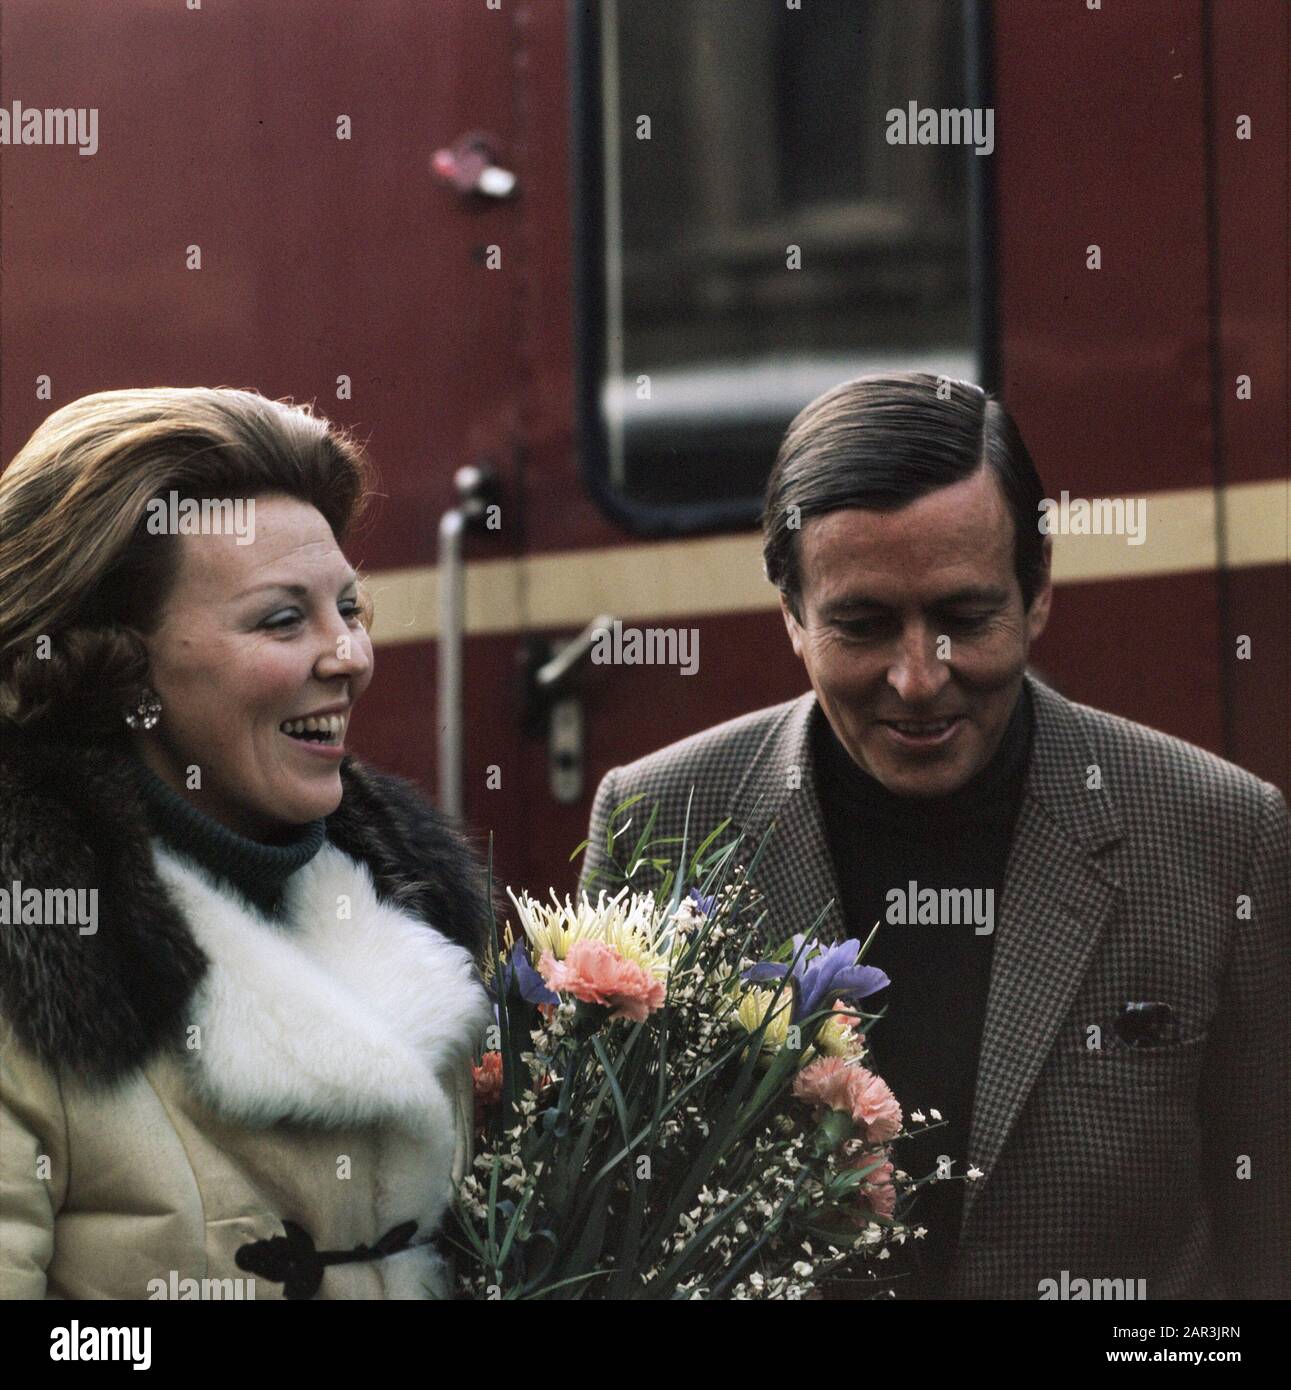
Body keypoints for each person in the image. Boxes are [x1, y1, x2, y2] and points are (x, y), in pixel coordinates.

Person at [582, 373, 1290, 1300]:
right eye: (862, 625)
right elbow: (601, 1234)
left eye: (963, 618)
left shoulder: (1221, 834)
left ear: (1036, 594)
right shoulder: (657, 821)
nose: (918, 680)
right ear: (790, 615)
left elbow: (1267, 1247)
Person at [0, 387, 491, 1300]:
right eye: (281, 619)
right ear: (117, 663)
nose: (347, 654)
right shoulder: (29, 945)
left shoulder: (412, 906)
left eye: (349, 608)